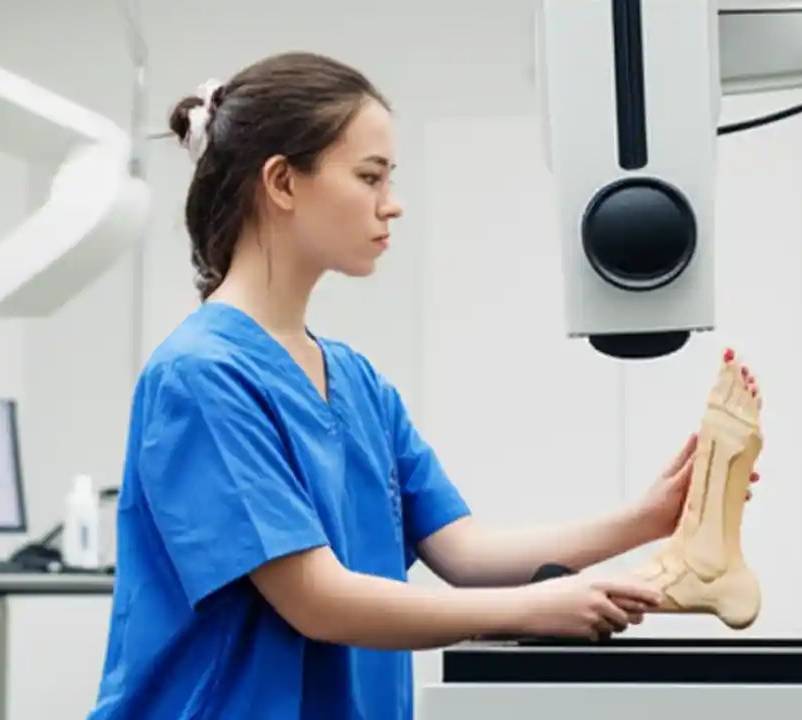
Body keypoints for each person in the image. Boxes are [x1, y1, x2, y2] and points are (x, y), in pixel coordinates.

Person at [87, 51, 701, 720]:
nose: (393, 204)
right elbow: (317, 599)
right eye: (369, 177)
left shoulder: (356, 382)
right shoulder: (202, 376)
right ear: (282, 182)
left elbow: (466, 552)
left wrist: (646, 520)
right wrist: (537, 609)